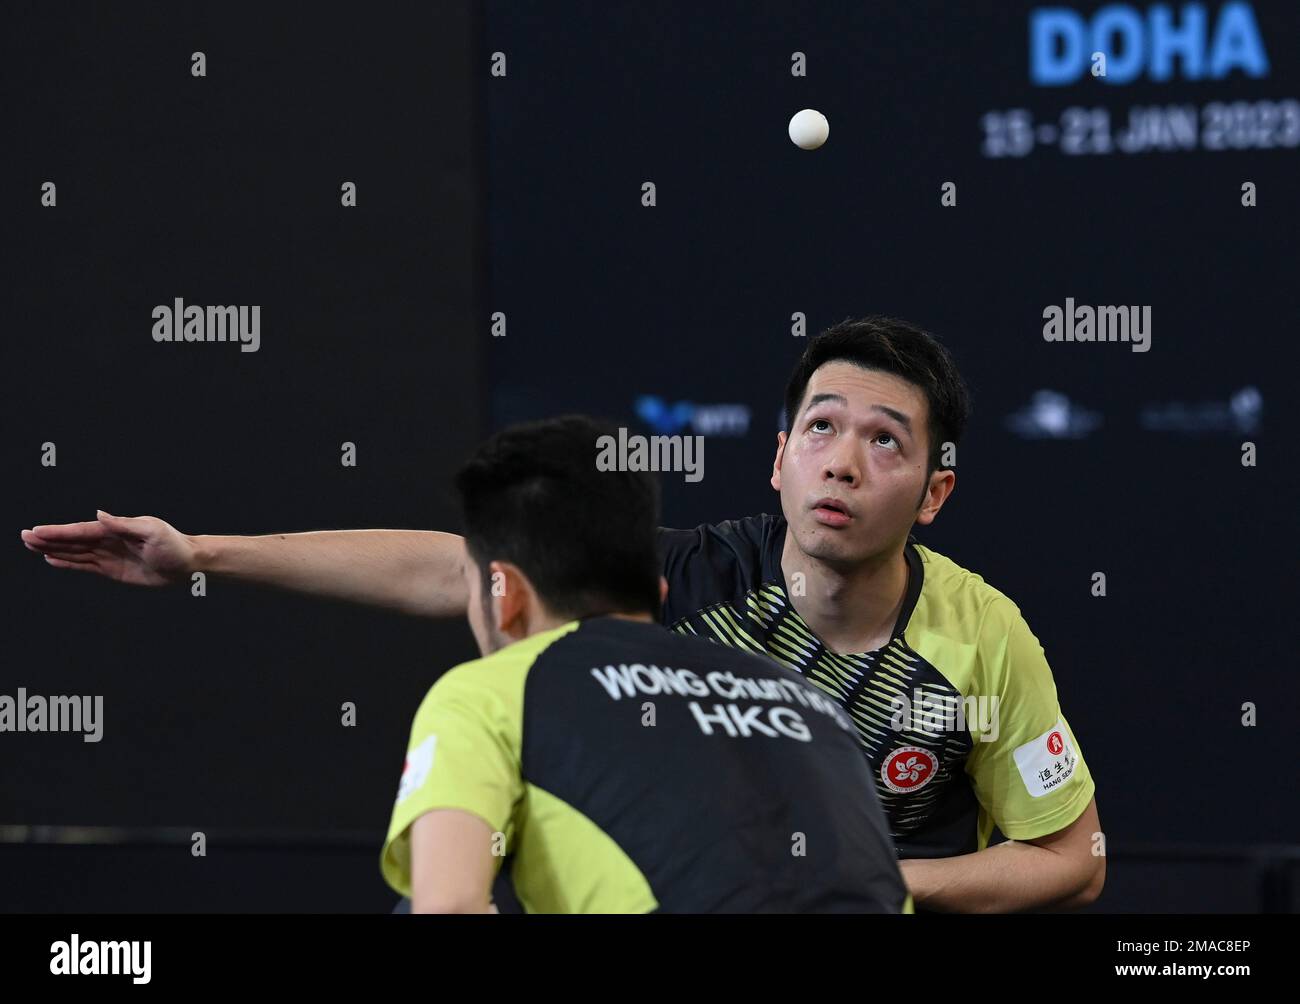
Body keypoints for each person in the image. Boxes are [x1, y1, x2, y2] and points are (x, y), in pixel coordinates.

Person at [22, 316, 1102, 912]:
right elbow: (454, 569)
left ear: (933, 490)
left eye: (885, 440)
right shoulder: (680, 580)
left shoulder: (980, 637)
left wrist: (869, 882)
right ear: (776, 458)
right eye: (821, 426)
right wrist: (204, 552)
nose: (844, 460)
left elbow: (1071, 860)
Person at [384, 416, 906, 912]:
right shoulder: (814, 705)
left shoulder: (490, 691)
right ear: (657, 594)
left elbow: (447, 905)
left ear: (507, 595)